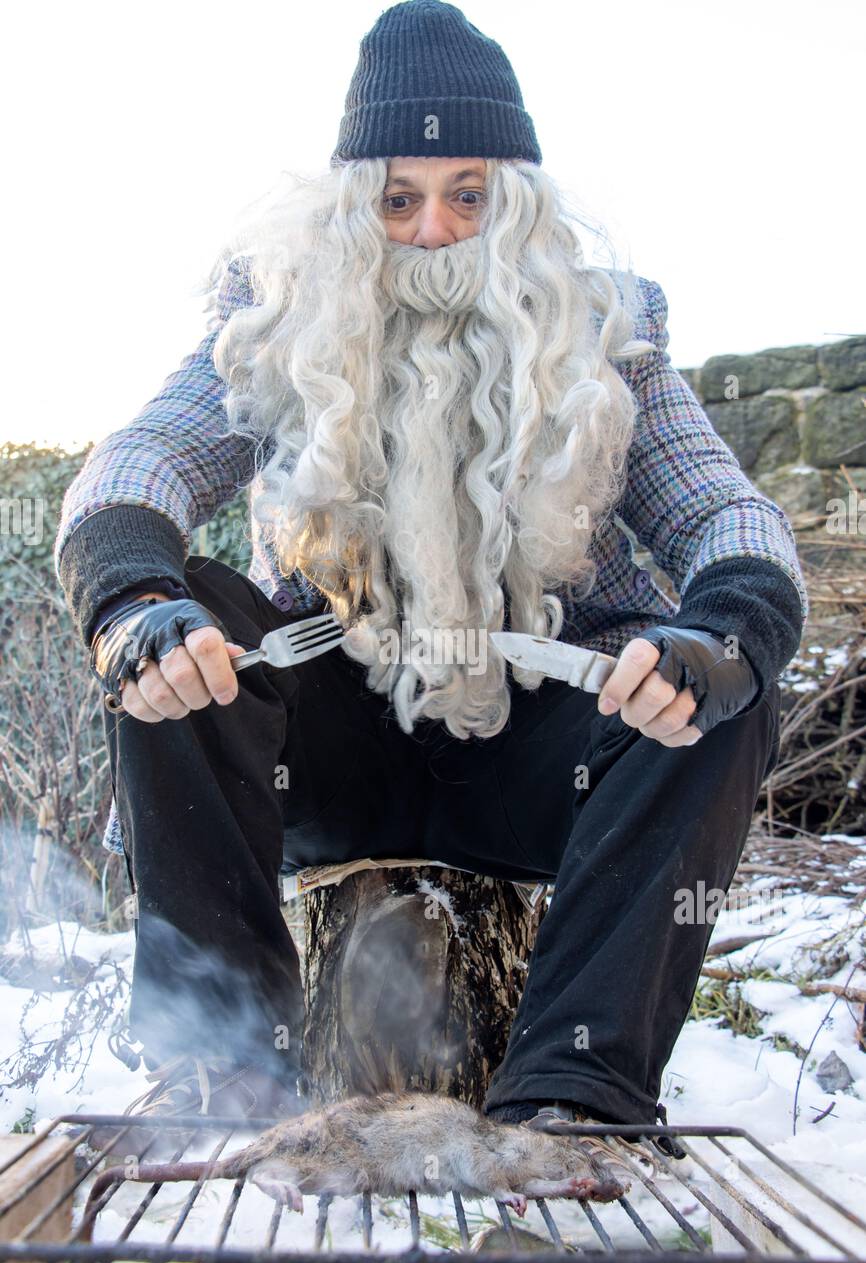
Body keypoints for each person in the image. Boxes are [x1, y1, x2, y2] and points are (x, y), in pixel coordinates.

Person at [55, 1, 804, 1136]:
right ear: (356, 205)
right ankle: (221, 1074)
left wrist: (721, 631)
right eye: (400, 198)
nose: (435, 232)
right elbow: (143, 459)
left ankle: (575, 1094)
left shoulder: (607, 332)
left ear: (516, 201)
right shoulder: (276, 319)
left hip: (544, 769)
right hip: (324, 757)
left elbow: (724, 514)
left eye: (469, 194)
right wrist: (131, 601)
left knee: (715, 688)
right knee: (188, 619)